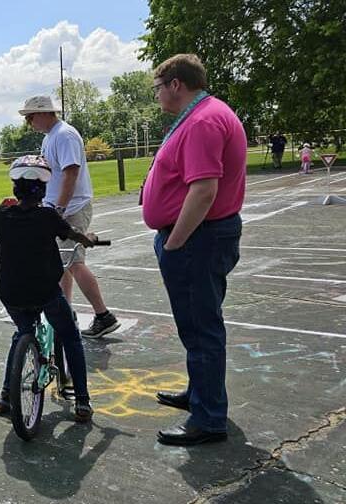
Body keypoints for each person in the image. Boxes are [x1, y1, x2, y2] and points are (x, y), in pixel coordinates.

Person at [143, 54, 245, 446]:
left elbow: (204, 191)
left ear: (174, 84)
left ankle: (208, 418)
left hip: (197, 238)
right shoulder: (203, 114)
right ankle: (200, 395)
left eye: (157, 88)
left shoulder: (202, 121)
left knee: (201, 329)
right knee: (196, 325)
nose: (157, 97)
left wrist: (175, 241)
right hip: (199, 237)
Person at [0, 155, 96, 422]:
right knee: (70, 335)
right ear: (44, 189)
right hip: (45, 291)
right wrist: (89, 239)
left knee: (22, 332)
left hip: (10, 292)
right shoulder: (48, 216)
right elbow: (74, 235)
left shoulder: (0, 213)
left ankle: (5, 396)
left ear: (16, 188)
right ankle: (82, 400)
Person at [18, 95, 120, 339]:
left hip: (72, 208)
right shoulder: (51, 137)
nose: (30, 122)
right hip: (59, 207)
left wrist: (60, 209)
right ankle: (65, 312)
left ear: (44, 113)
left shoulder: (64, 135)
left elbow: (70, 173)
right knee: (61, 263)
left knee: (74, 262)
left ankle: (103, 315)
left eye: (31, 116)